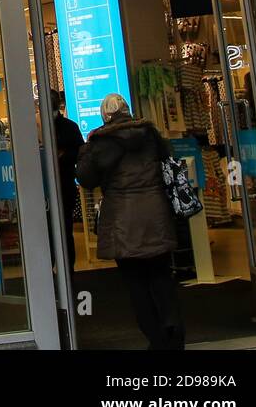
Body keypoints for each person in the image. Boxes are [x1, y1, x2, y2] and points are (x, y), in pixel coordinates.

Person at [75, 93, 184, 350]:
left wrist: (86, 151)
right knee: (161, 277)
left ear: (105, 115)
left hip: (122, 218)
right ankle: (174, 334)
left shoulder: (102, 142)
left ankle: (155, 339)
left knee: (136, 284)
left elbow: (86, 178)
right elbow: (168, 163)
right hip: (155, 213)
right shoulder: (150, 134)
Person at [51, 91, 84, 272]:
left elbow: (80, 152)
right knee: (59, 230)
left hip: (64, 185)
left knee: (64, 229)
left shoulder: (70, 127)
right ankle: (59, 270)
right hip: (57, 187)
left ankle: (67, 270)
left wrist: (62, 155)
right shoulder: (37, 126)